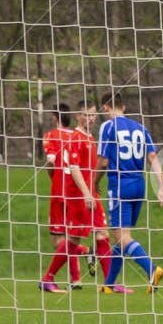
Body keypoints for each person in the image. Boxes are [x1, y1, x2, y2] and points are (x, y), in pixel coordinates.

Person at [97, 94, 163, 294]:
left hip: (120, 184)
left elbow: (103, 162)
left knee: (122, 237)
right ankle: (109, 284)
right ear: (124, 106)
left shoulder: (108, 127)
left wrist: (94, 182)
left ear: (105, 107)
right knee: (121, 238)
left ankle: (152, 269)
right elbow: (153, 158)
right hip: (139, 185)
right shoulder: (141, 128)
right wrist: (162, 187)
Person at [41, 103, 113, 293]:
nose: (92, 118)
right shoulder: (75, 138)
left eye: (93, 115)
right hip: (78, 196)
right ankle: (48, 278)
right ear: (78, 116)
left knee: (102, 234)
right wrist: (86, 193)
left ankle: (109, 283)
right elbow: (74, 169)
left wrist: (93, 189)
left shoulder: (90, 137)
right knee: (72, 239)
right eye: (87, 115)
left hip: (90, 194)